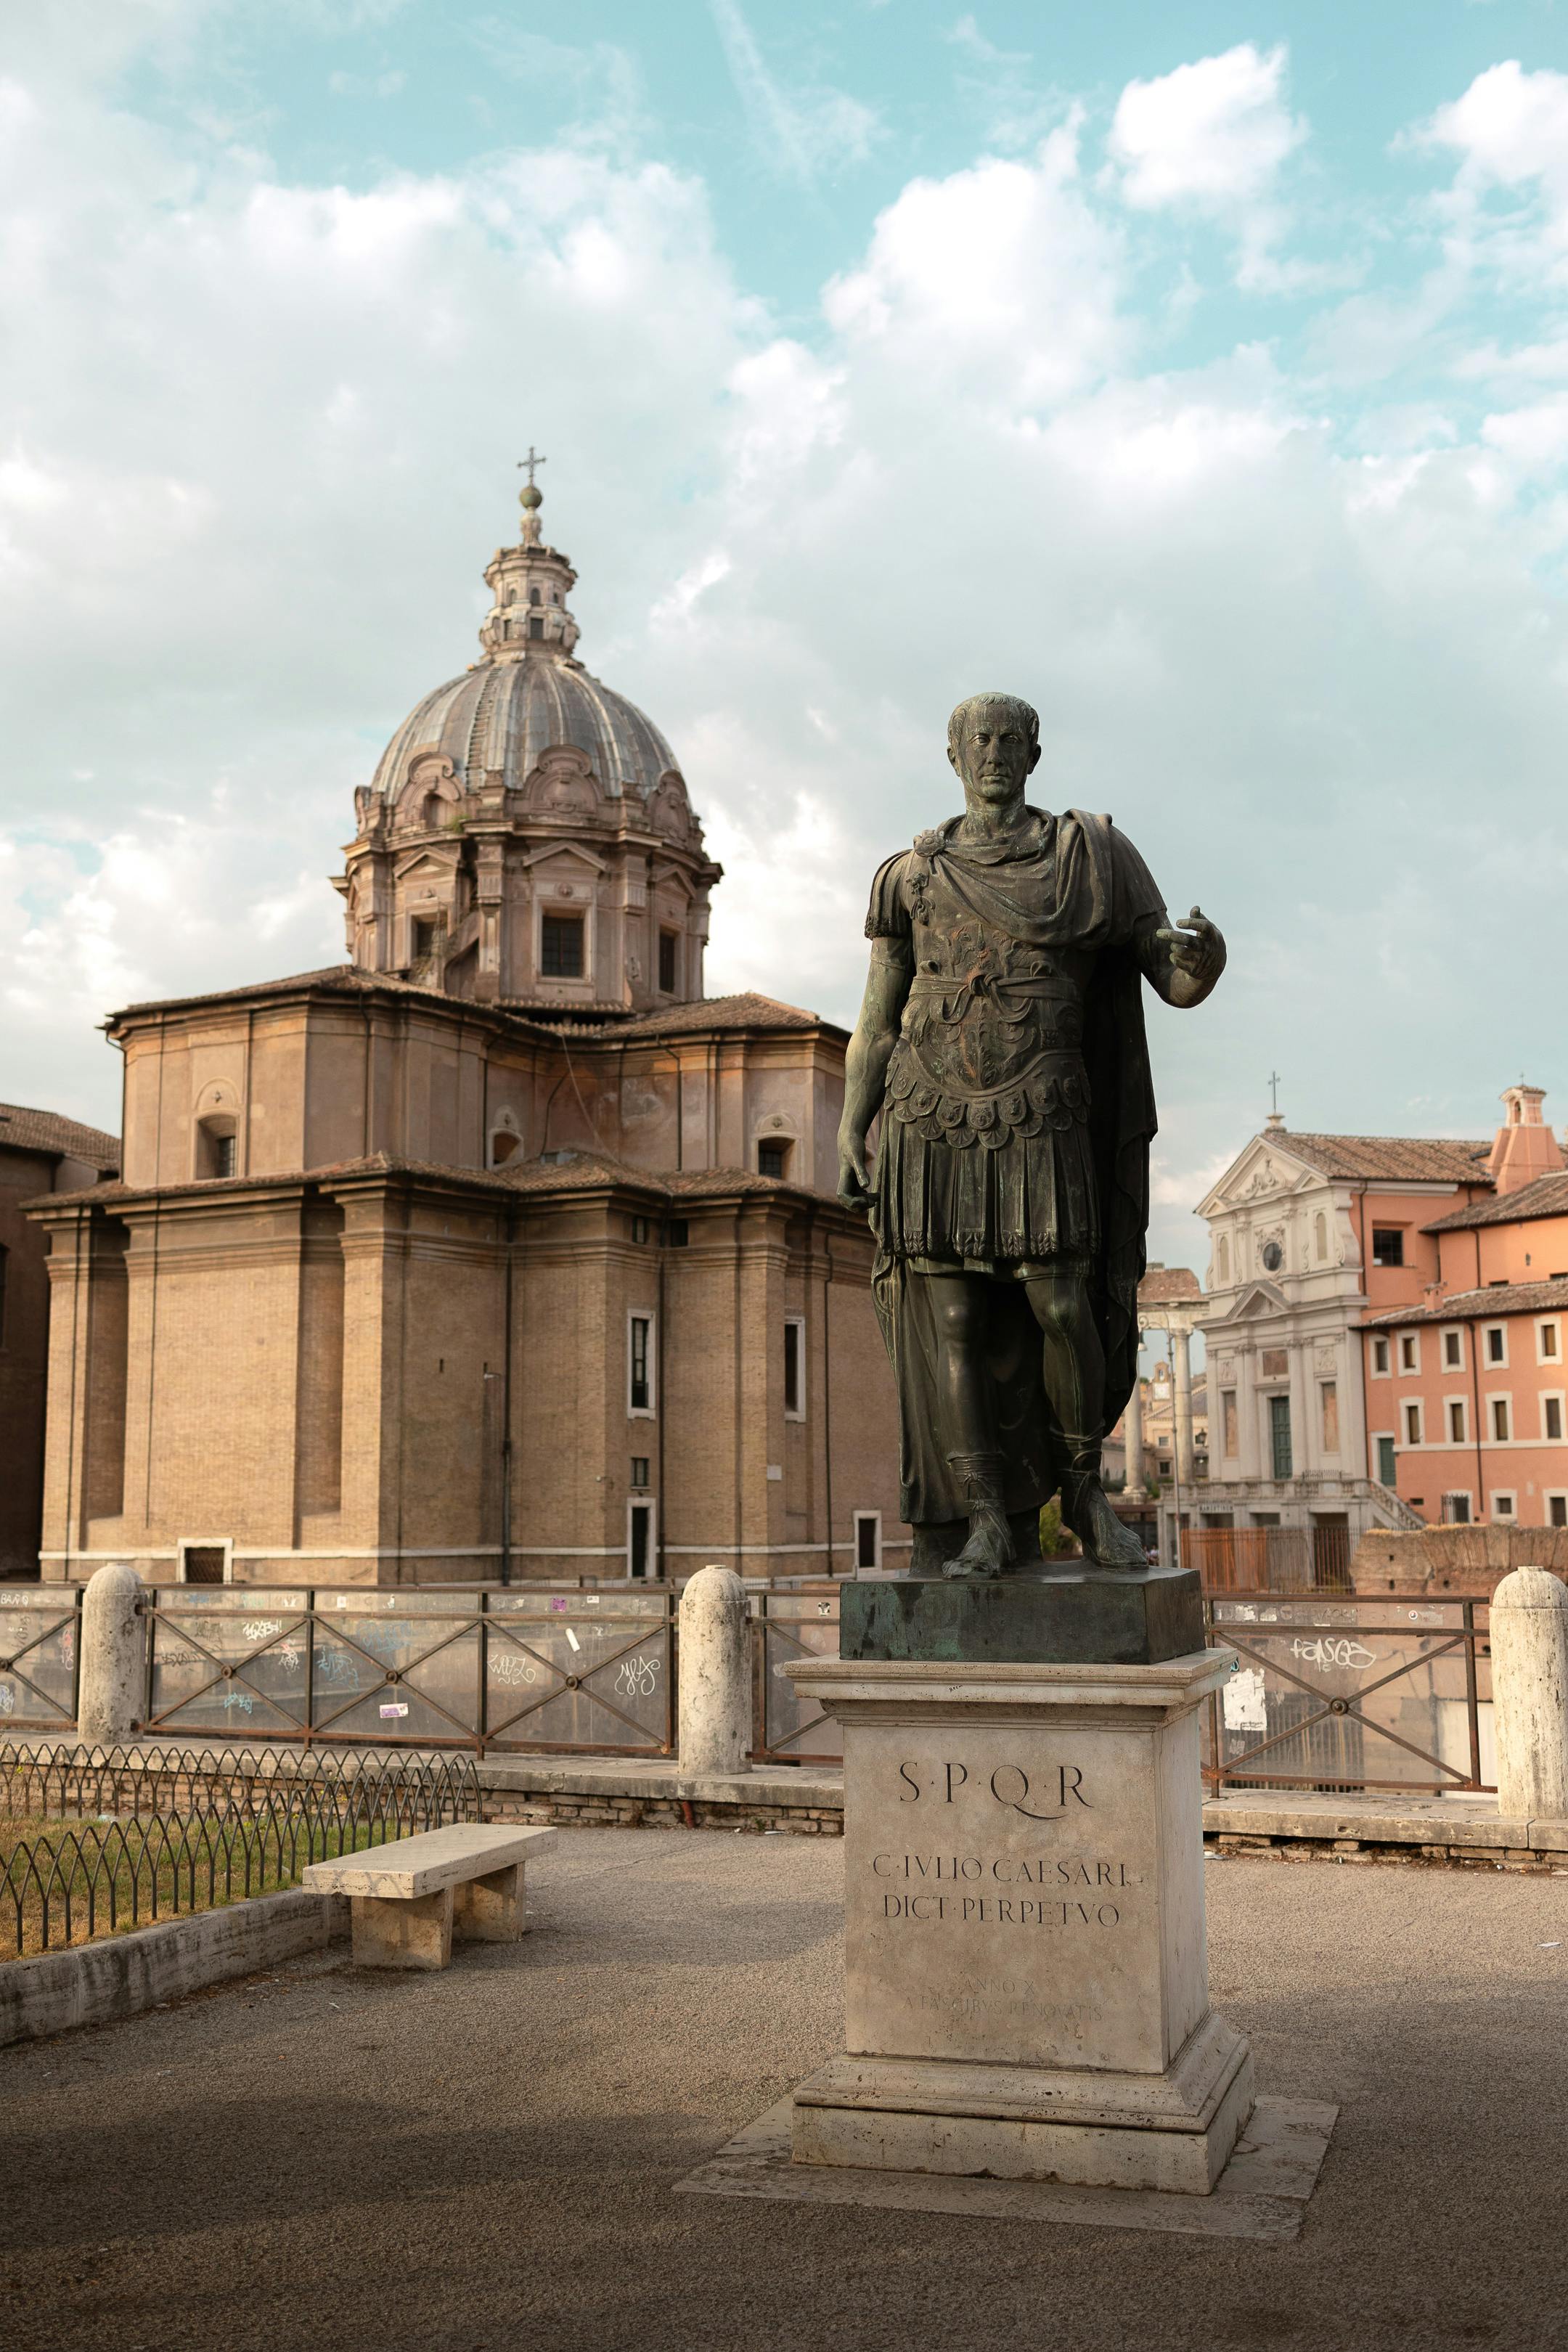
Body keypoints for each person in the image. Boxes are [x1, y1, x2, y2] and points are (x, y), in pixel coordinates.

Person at [838, 692, 1225, 1576]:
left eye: (1012, 740)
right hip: (928, 1115)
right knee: (958, 1323)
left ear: (1035, 754)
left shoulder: (1093, 857)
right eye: (979, 740)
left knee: (1059, 1307)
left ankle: (1087, 1496)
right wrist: (848, 1128)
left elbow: (1170, 972)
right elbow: (877, 1017)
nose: (995, 753)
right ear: (952, 755)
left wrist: (1204, 962)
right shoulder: (909, 875)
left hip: (1043, 1108)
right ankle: (983, 1518)